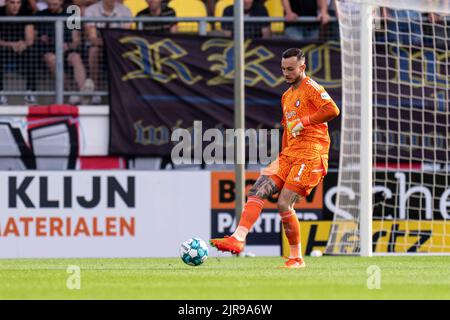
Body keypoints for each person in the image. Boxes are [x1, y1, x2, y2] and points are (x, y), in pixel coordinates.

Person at [210, 48, 340, 269]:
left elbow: (332, 109)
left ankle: (296, 258)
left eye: (290, 69)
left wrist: (305, 121)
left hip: (312, 153)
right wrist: (282, 156)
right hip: (290, 153)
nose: (286, 73)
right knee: (258, 189)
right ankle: (238, 238)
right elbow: (289, 130)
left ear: (302, 67)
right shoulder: (286, 96)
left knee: (283, 203)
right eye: (283, 69)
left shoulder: (312, 88)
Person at [36, 0, 89, 105]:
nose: (51, 7)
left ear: (61, 2)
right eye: (49, 4)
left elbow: (76, 40)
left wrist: (68, 45)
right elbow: (37, 37)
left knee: (75, 58)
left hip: (67, 50)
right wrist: (42, 39)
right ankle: (71, 92)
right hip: (49, 51)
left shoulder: (72, 13)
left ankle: (84, 93)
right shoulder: (41, 15)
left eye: (54, 4)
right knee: (51, 59)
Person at [84, 0, 132, 104]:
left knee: (126, 52)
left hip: (118, 48)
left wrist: (112, 43)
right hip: (100, 47)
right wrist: (110, 42)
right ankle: (95, 92)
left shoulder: (125, 11)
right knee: (93, 51)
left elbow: (126, 36)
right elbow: (93, 39)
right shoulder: (91, 11)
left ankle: (122, 92)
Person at [0, 0, 37, 105]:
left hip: (21, 48)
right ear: (6, 3)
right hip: (4, 47)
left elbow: (30, 39)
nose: (15, 6)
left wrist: (23, 44)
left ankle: (30, 93)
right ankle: (1, 94)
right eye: (12, 2)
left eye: (18, 2)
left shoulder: (26, 12)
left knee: (32, 53)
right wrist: (11, 44)